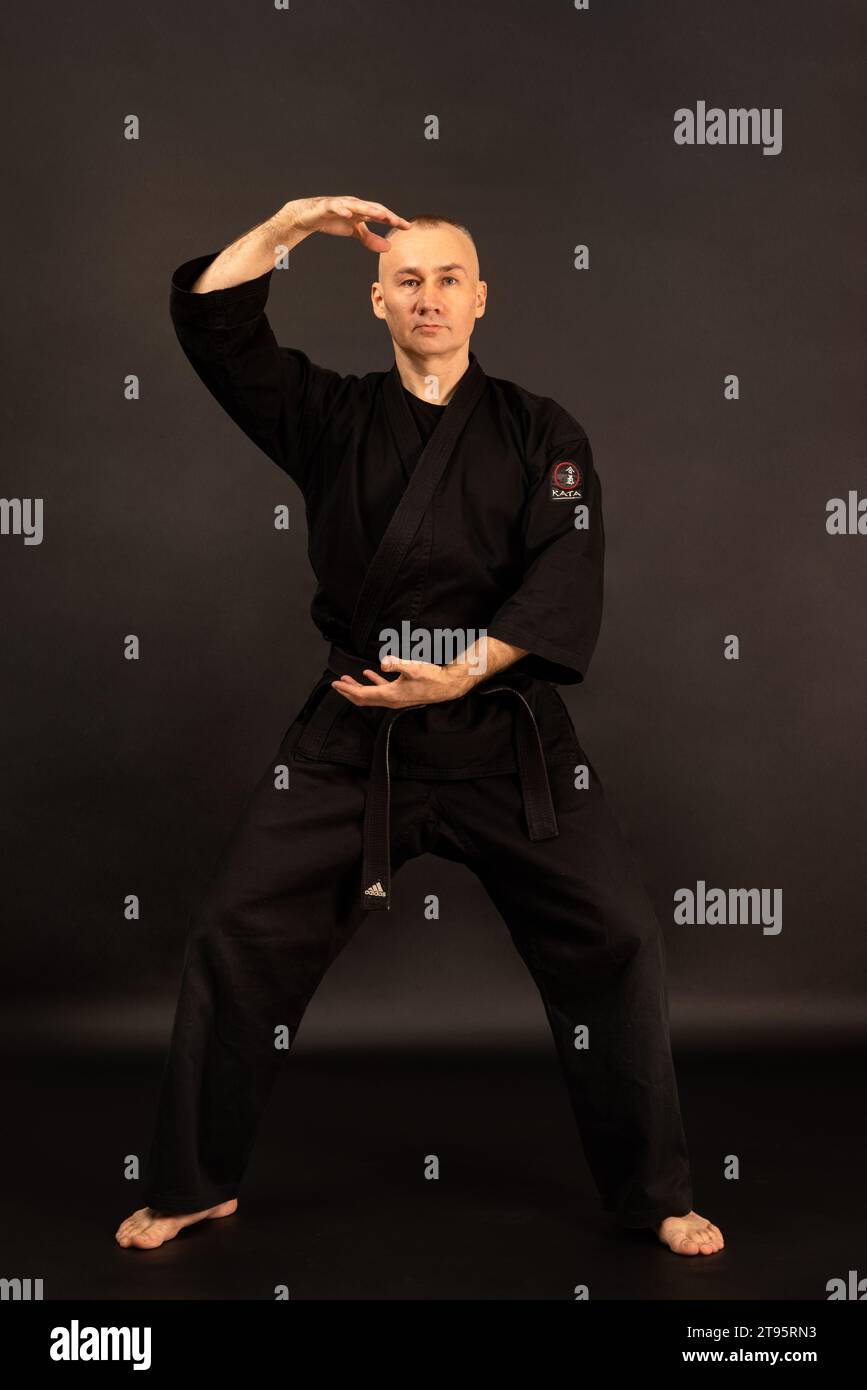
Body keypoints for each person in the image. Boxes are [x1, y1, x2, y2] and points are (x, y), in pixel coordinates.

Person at [115, 196, 724, 1258]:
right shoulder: (328, 415)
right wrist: (290, 223)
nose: (429, 296)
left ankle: (654, 1190)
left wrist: (461, 673)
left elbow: (566, 571)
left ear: (480, 299)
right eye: (408, 280)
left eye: (449, 279)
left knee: (618, 938)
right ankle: (195, 1180)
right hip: (359, 733)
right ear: (377, 301)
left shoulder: (543, 431)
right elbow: (217, 327)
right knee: (234, 935)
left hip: (505, 733)